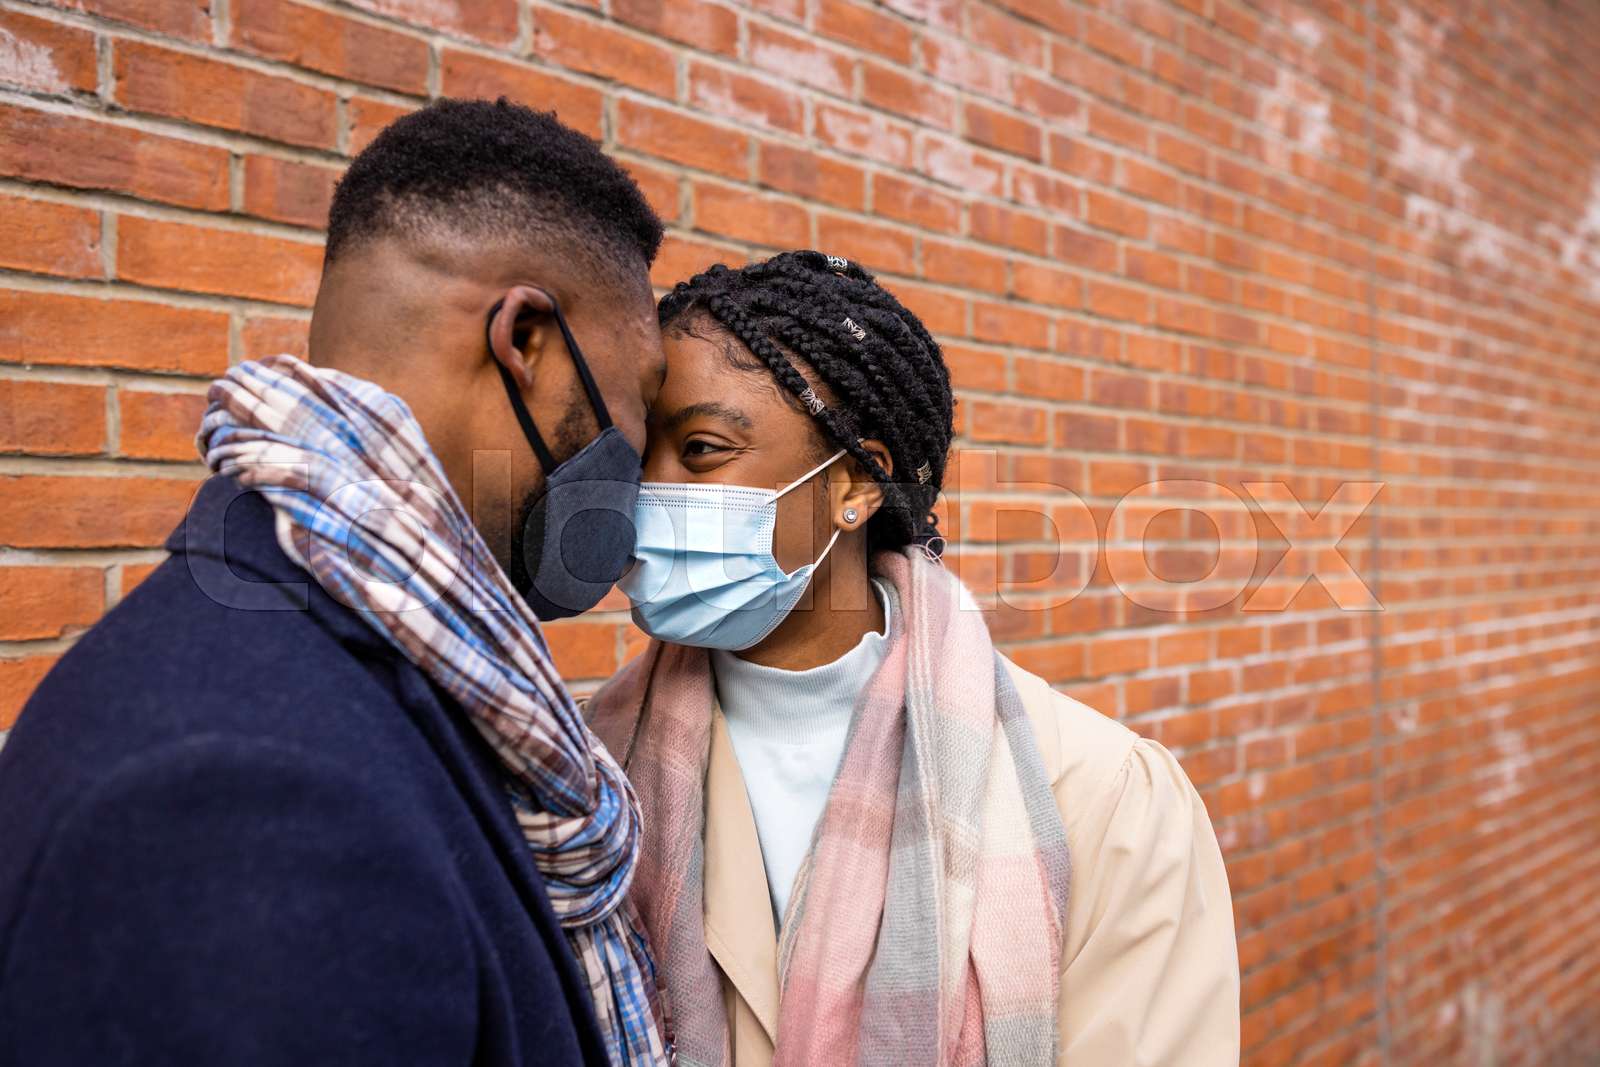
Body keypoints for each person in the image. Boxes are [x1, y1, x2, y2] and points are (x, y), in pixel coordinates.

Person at [0, 100, 671, 1066]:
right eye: (641, 401)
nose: (639, 460)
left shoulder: (373, 664)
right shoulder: (243, 796)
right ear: (524, 337)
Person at [586, 251, 1241, 1066]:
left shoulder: (1100, 798)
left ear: (855, 485)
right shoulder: (585, 771)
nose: (651, 492)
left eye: (702, 449)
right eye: (641, 453)